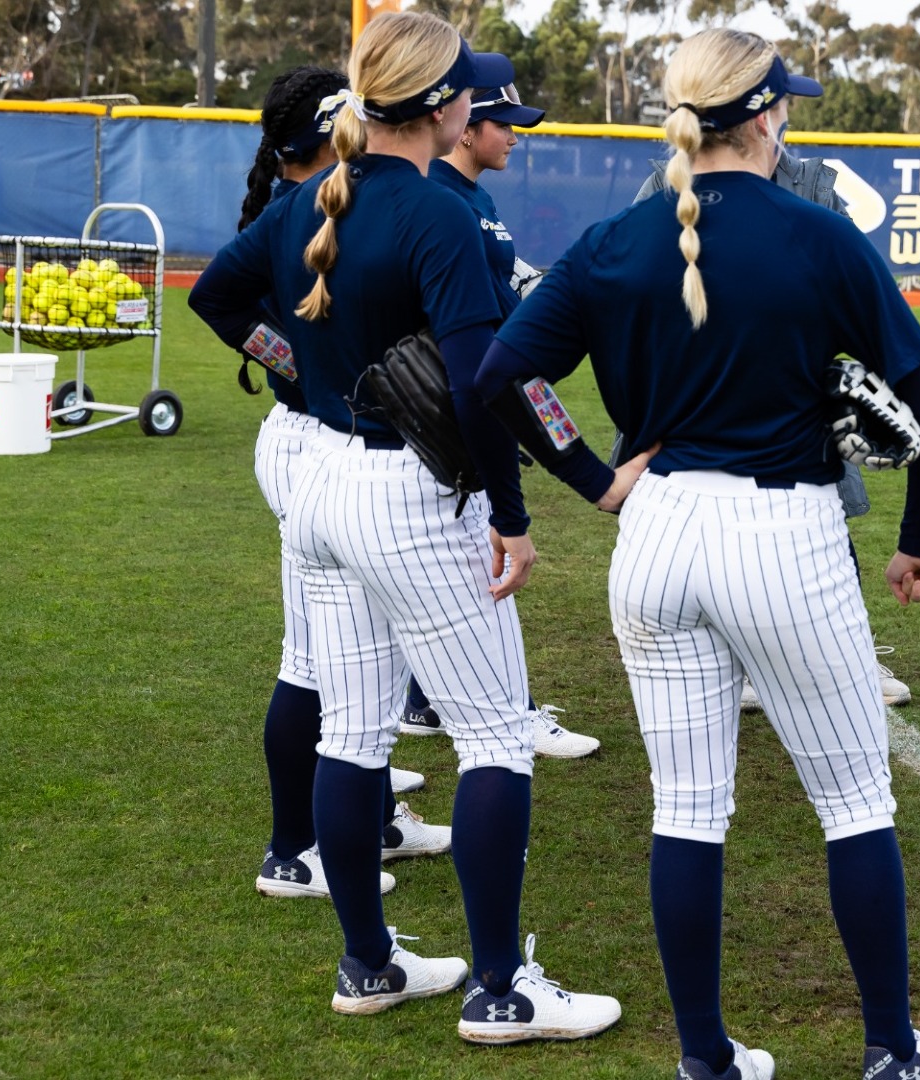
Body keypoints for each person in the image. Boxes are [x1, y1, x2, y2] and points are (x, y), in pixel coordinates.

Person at [477, 28, 920, 1080]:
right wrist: (917, 541)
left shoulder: (617, 237)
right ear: (765, 118)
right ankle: (893, 1054)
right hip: (782, 534)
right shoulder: (817, 234)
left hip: (655, 537)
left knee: (688, 809)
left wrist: (599, 482)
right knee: (855, 804)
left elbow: (503, 376)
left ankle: (707, 1058)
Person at [189, 12, 622, 1043]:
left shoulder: (313, 202)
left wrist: (292, 362)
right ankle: (503, 990)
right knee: (495, 741)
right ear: (439, 106)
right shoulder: (435, 216)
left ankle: (370, 965)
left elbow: (215, 294)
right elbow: (482, 382)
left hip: (322, 483)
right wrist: (519, 513)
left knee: (352, 733)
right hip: (408, 495)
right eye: (468, 89)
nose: (479, 104)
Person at [232, 65, 448, 901]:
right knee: (314, 661)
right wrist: (293, 370)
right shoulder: (302, 208)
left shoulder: (328, 199)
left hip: (325, 442)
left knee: (358, 660)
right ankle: (293, 850)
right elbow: (220, 302)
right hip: (314, 439)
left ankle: (370, 822)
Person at [632, 133, 914, 713]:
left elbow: (852, 293)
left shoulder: (812, 184)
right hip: (697, 394)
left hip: (791, 398)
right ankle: (729, 664)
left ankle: (849, 652)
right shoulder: (667, 183)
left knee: (822, 524)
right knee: (694, 529)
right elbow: (633, 288)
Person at [397, 71, 600, 758]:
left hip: (458, 410)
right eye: (506, 123)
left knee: (453, 580)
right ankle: (507, 711)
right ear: (465, 119)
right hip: (444, 419)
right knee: (478, 573)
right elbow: (471, 346)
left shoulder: (471, 198)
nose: (515, 137)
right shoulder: (439, 199)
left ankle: (426, 700)